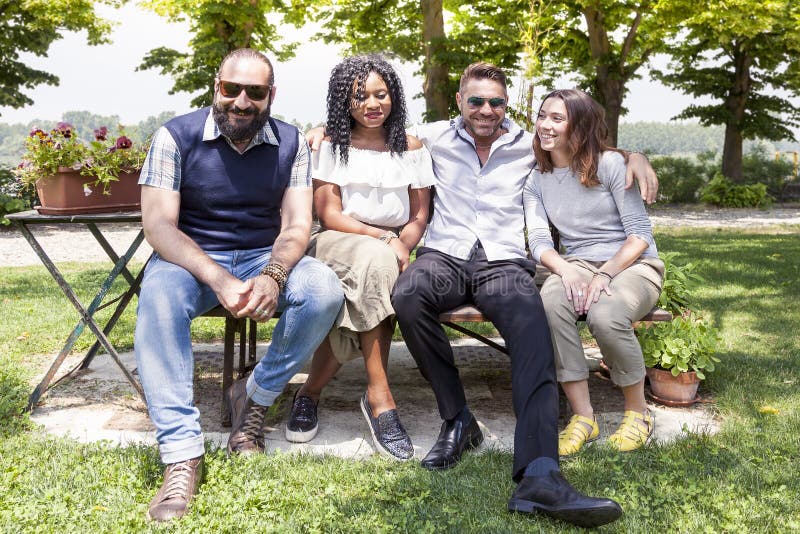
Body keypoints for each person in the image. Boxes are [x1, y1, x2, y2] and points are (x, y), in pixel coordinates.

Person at [385, 63, 656, 528]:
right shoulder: (434, 136)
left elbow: (582, 143)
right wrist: (320, 130)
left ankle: (540, 473)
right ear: (459, 101)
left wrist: (635, 155)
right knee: (408, 295)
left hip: (503, 264)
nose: (486, 110)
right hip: (445, 256)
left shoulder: (530, 145)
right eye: (476, 101)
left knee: (533, 320)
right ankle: (457, 419)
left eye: (496, 102)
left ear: (506, 105)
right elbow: (376, 131)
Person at [134, 48, 343, 522]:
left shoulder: (291, 141)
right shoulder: (174, 136)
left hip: (262, 254)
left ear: (271, 95)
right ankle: (181, 455)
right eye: (232, 89)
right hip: (190, 258)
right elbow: (159, 227)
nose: (241, 101)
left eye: (255, 92)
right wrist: (219, 278)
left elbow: (297, 225)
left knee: (323, 288)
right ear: (217, 87)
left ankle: (254, 396)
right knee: (159, 295)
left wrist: (273, 274)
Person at [284, 55, 434, 460]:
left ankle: (309, 393)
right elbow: (329, 214)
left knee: (374, 277)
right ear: (343, 101)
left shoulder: (412, 148)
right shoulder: (331, 146)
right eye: (360, 96)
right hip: (338, 241)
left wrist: (404, 242)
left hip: (390, 249)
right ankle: (380, 397)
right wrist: (384, 238)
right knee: (378, 264)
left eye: (381, 94)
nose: (372, 104)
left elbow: (419, 215)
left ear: (393, 97)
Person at [524, 89, 664, 456]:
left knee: (606, 314)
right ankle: (584, 417)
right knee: (551, 303)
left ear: (580, 126)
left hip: (634, 264)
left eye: (557, 118)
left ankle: (638, 413)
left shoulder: (611, 165)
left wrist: (605, 275)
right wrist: (564, 269)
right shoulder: (537, 179)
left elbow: (639, 235)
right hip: (579, 263)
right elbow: (539, 240)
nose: (545, 125)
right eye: (542, 115)